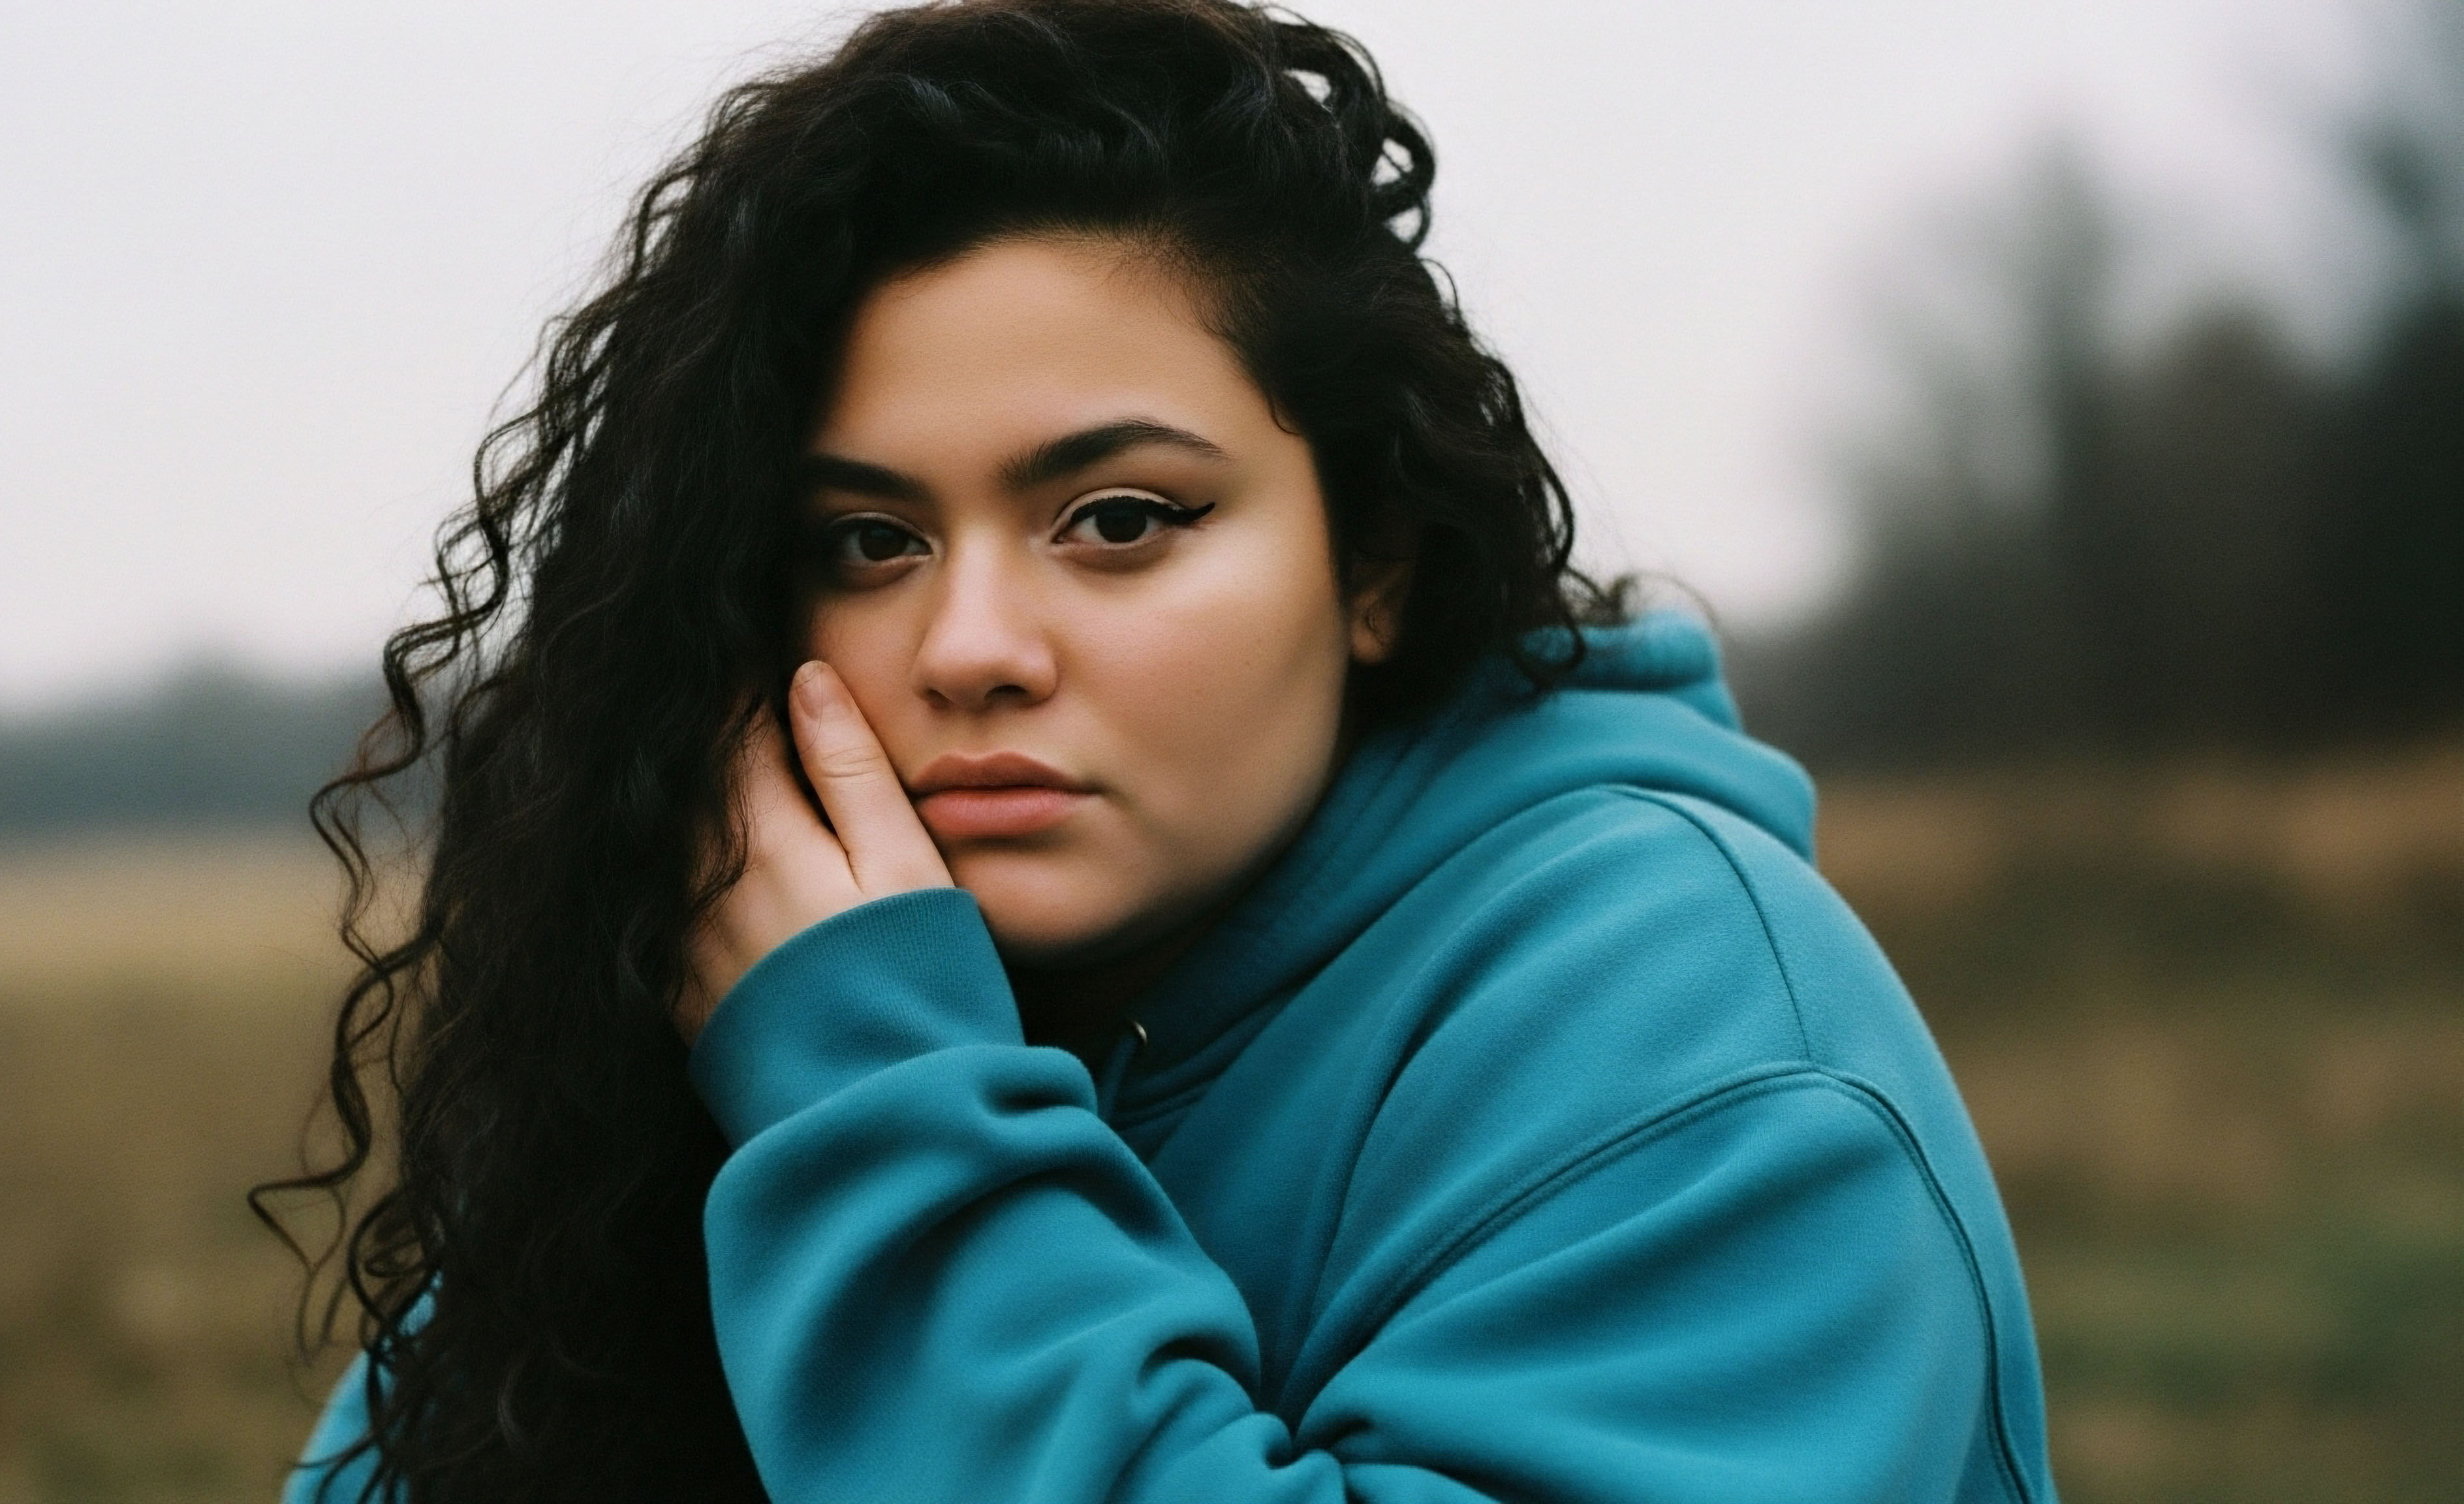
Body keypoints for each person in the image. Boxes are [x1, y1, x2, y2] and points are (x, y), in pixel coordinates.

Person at [267, 1, 2059, 1500]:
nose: (967, 648)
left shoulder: (1692, 1036)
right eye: (868, 543)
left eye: (1120, 519)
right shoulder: (732, 999)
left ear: (1370, 562)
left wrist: (878, 1119)